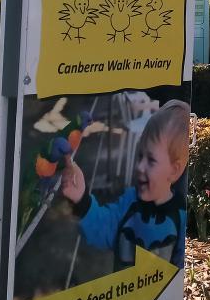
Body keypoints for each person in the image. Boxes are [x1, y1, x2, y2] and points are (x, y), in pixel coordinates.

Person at [60, 99, 190, 268]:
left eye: (151, 160)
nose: (140, 166)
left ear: (174, 170)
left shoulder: (181, 217)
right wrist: (82, 200)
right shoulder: (130, 203)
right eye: (140, 156)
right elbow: (104, 228)